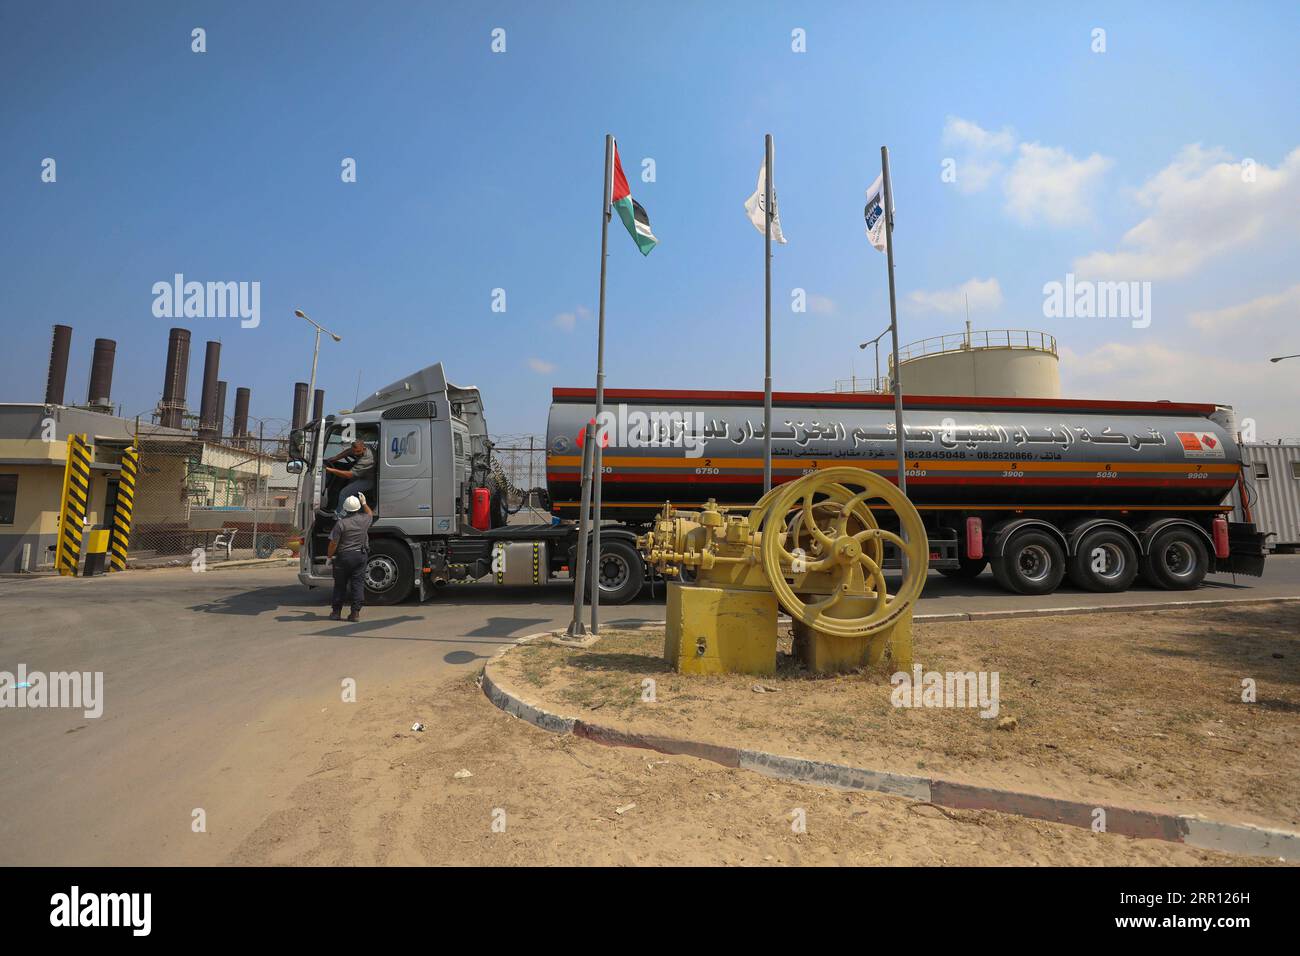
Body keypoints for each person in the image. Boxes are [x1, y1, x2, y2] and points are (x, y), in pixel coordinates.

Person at [327, 492, 372, 622]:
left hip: (343, 558)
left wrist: (329, 557)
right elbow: (369, 514)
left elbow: (333, 543)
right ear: (358, 508)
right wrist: (364, 503)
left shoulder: (341, 524)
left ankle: (336, 613)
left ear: (345, 509)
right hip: (360, 556)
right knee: (357, 584)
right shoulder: (365, 520)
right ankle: (355, 614)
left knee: (340, 585)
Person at [324, 439, 375, 518]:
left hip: (368, 480)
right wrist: (335, 458)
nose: (355, 453)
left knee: (344, 493)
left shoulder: (367, 459)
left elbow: (349, 475)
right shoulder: (360, 447)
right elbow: (349, 451)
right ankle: (351, 512)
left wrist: (329, 469)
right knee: (349, 488)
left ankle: (338, 517)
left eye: (357, 452)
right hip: (361, 475)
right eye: (354, 451)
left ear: (364, 448)